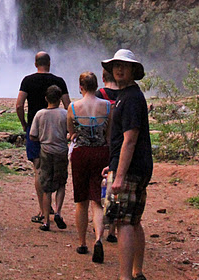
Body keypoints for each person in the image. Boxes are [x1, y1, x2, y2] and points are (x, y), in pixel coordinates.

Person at [101, 49, 153, 280]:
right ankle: (137, 271)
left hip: (130, 169)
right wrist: (112, 165)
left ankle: (125, 276)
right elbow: (123, 140)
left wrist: (119, 175)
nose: (119, 69)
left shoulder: (130, 98)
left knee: (123, 223)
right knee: (134, 220)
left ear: (133, 70)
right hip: (133, 166)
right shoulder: (127, 95)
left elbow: (130, 139)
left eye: (124, 65)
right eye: (116, 65)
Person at [16, 51, 70, 223]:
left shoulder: (28, 80)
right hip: (57, 132)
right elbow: (69, 107)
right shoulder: (59, 81)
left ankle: (42, 210)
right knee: (58, 171)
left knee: (39, 170)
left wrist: (25, 124)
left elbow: (19, 104)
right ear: (49, 63)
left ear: (35, 63)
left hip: (36, 129)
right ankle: (56, 209)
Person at [68, 71, 112, 262]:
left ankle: (81, 242)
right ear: (96, 86)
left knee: (81, 200)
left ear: (81, 87)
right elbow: (109, 136)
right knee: (97, 200)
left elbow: (71, 133)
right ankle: (98, 239)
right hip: (101, 153)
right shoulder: (108, 107)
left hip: (81, 154)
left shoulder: (73, 107)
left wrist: (75, 135)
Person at [29, 85, 69, 231]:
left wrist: (42, 138)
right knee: (61, 184)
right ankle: (58, 212)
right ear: (60, 99)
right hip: (61, 151)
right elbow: (71, 131)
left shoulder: (40, 114)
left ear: (46, 98)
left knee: (46, 187)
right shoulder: (65, 114)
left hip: (45, 151)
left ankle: (46, 220)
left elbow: (32, 135)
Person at [96, 66, 119, 243]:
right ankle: (112, 230)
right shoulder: (124, 95)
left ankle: (99, 230)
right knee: (117, 189)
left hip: (103, 144)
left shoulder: (99, 94)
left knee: (100, 187)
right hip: (120, 146)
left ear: (103, 78)